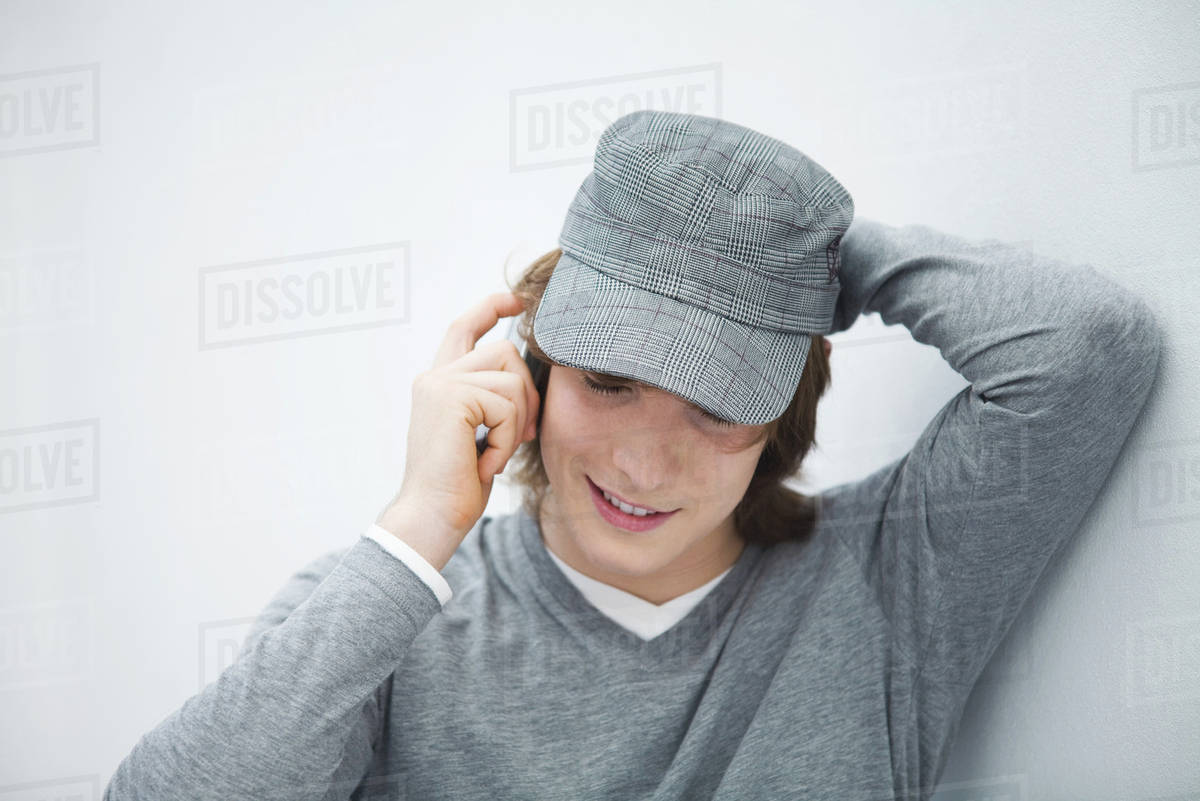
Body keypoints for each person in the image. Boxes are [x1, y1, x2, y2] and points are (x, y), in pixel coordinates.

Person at [104, 111, 1163, 800]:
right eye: (609, 383)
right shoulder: (383, 611)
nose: (645, 468)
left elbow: (1090, 349)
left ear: (783, 416)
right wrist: (421, 523)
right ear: (529, 372)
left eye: (717, 406)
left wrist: (803, 263)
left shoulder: (889, 581)